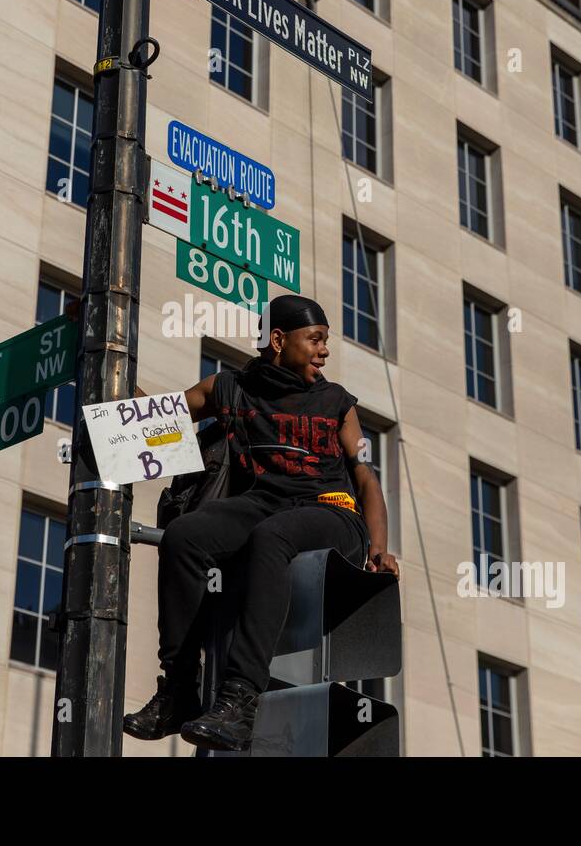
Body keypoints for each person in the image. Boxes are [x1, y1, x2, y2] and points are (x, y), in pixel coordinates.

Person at [123, 294, 400, 752]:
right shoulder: (228, 388)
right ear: (278, 340)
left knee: (271, 538)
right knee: (184, 536)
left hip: (332, 510)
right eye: (315, 339)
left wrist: (378, 548)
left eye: (325, 341)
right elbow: (155, 419)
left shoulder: (337, 403)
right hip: (266, 502)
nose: (324, 351)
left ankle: (240, 698)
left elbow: (365, 478)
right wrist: (98, 358)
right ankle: (177, 691)